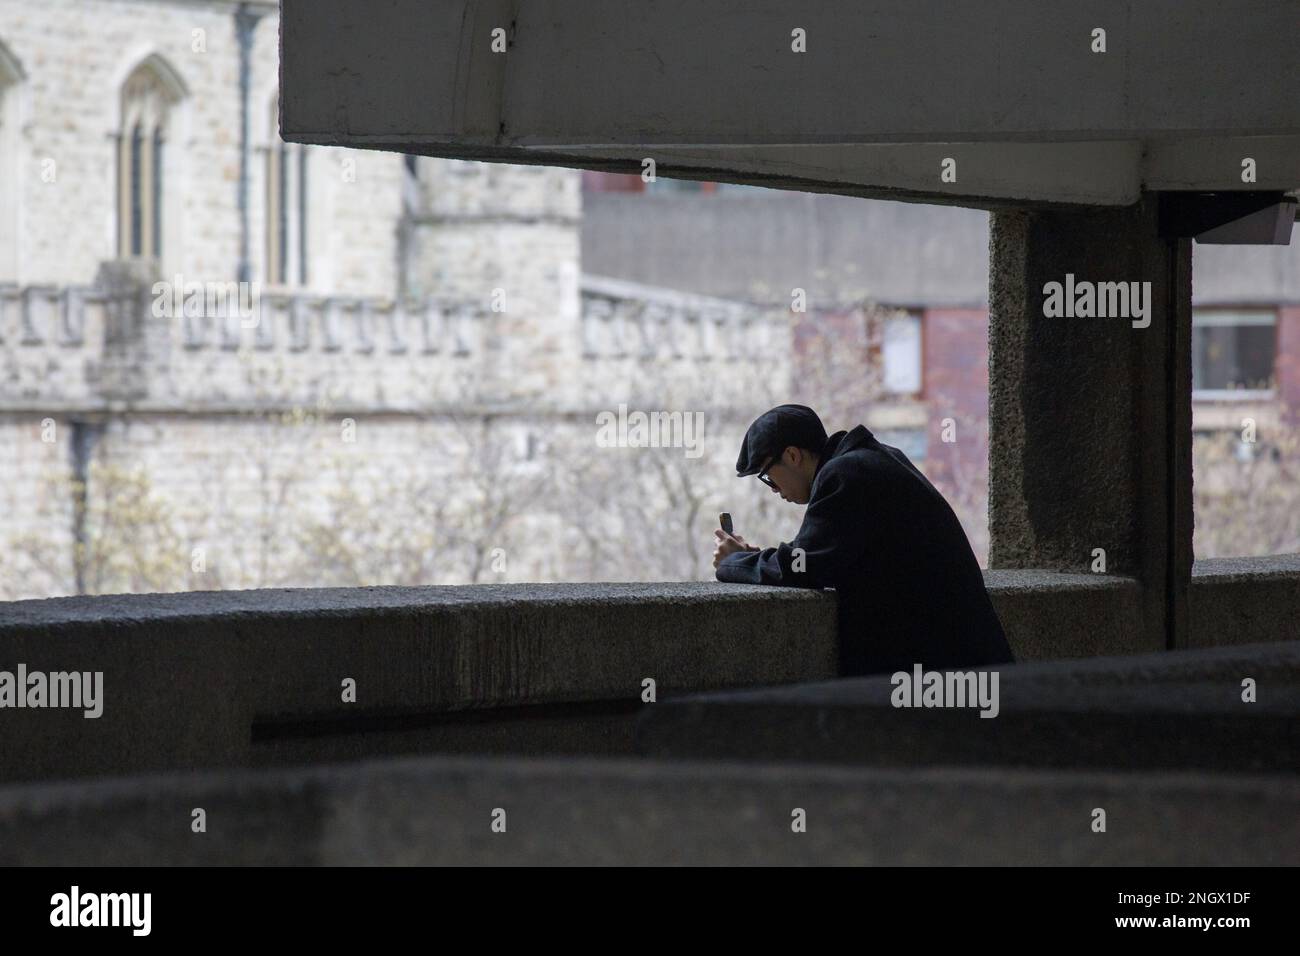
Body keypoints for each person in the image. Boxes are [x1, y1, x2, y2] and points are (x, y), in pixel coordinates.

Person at [713, 404, 1014, 676]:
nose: (774, 490)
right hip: (960, 661)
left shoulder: (845, 474)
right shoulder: (875, 460)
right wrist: (752, 559)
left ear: (792, 455)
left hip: (938, 671)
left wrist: (733, 562)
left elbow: (807, 566)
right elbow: (823, 553)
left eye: (767, 476)